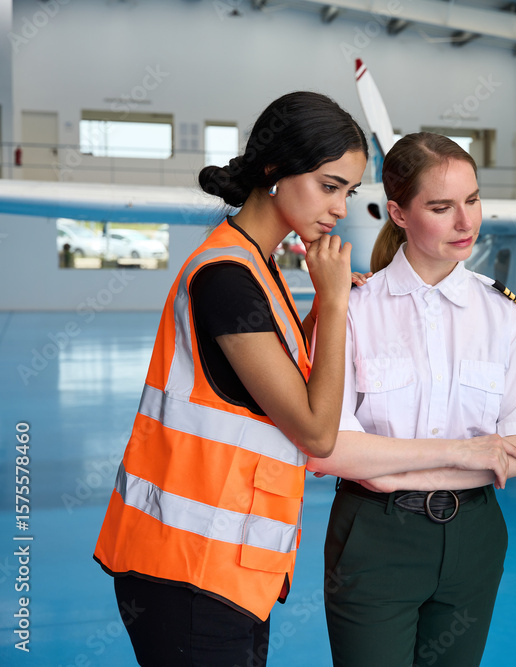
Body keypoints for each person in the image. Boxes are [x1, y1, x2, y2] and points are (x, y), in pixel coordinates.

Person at [94, 91, 369, 667]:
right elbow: (316, 431)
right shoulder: (226, 278)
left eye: (349, 190)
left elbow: (278, 388)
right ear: (274, 170)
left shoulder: (256, 265)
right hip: (187, 571)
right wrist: (337, 306)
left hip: (223, 571)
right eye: (329, 185)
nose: (341, 208)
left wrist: (320, 306)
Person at [307, 132, 516, 667]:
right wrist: (466, 452)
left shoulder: (504, 316)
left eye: (473, 200)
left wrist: (386, 464)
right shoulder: (352, 311)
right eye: (441, 207)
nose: (466, 222)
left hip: (475, 538)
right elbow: (329, 450)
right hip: (374, 537)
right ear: (399, 213)